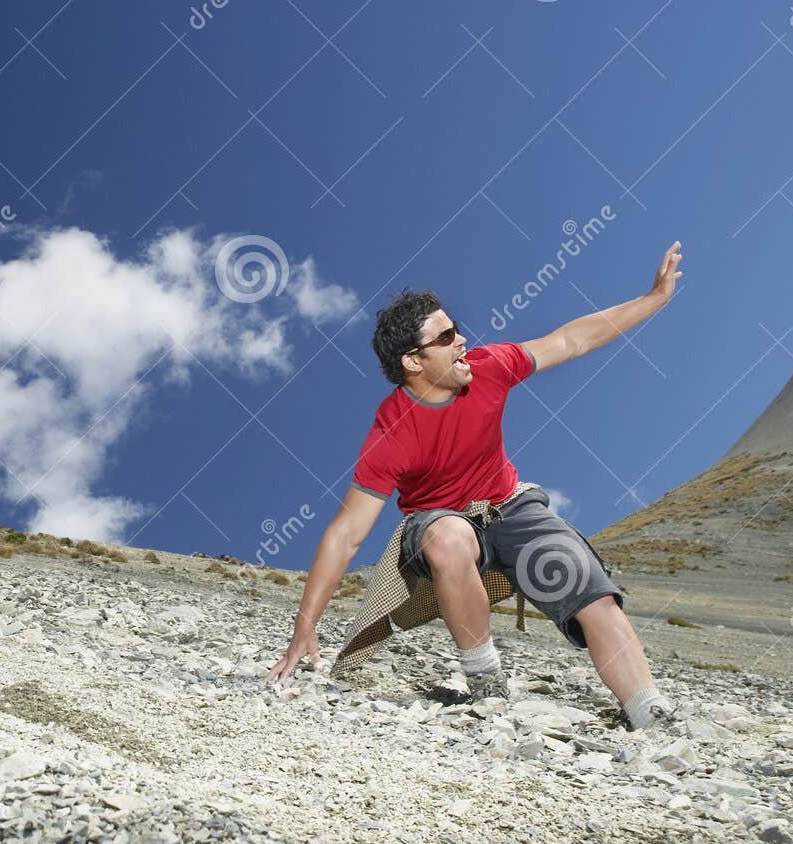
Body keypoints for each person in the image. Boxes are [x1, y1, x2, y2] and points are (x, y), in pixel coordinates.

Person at [268, 243, 686, 735]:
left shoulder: (489, 367)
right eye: (446, 337)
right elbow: (346, 535)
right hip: (440, 522)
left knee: (581, 577)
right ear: (413, 362)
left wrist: (654, 298)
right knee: (448, 537)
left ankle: (648, 710)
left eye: (455, 328)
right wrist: (304, 626)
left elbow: (570, 340)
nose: (462, 340)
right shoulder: (391, 431)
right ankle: (486, 682)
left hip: (510, 504)